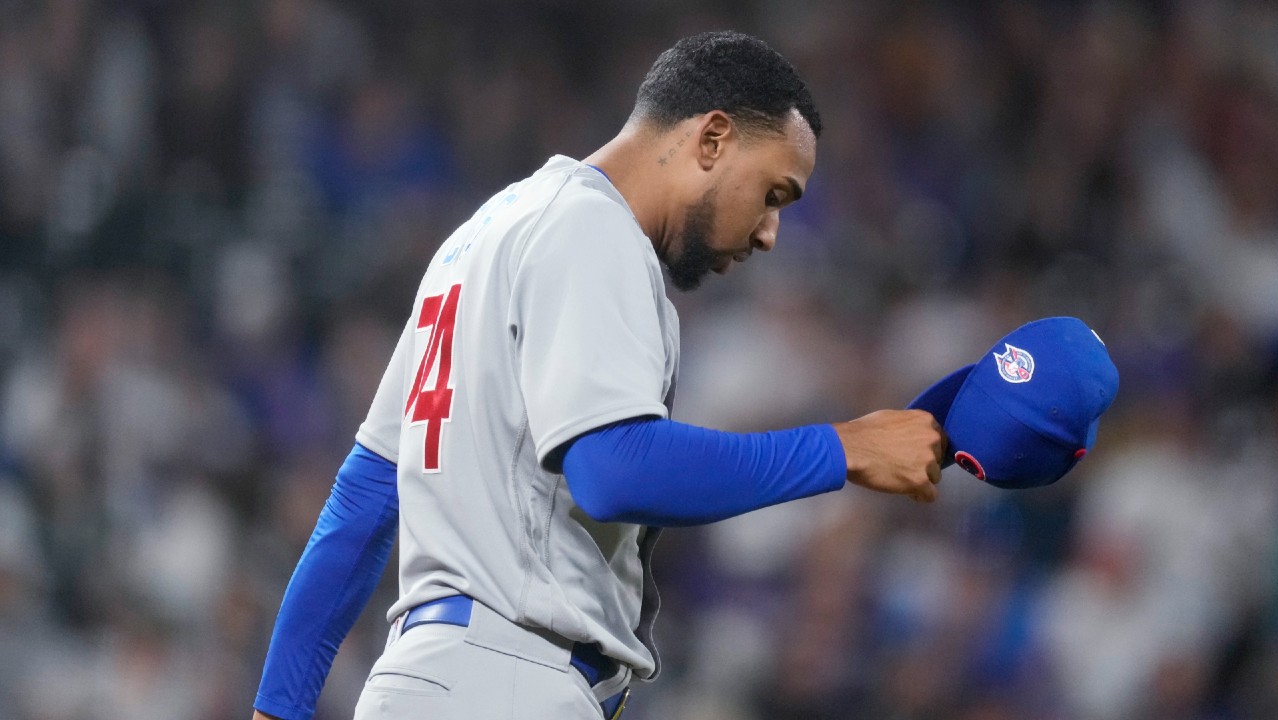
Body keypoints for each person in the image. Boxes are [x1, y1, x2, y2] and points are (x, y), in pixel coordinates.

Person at [251, 30, 944, 720]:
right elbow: (614, 470)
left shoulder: (481, 236)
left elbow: (365, 497)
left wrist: (278, 709)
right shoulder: (592, 228)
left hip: (432, 682)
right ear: (712, 140)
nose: (769, 231)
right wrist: (844, 448)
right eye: (772, 192)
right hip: (507, 678)